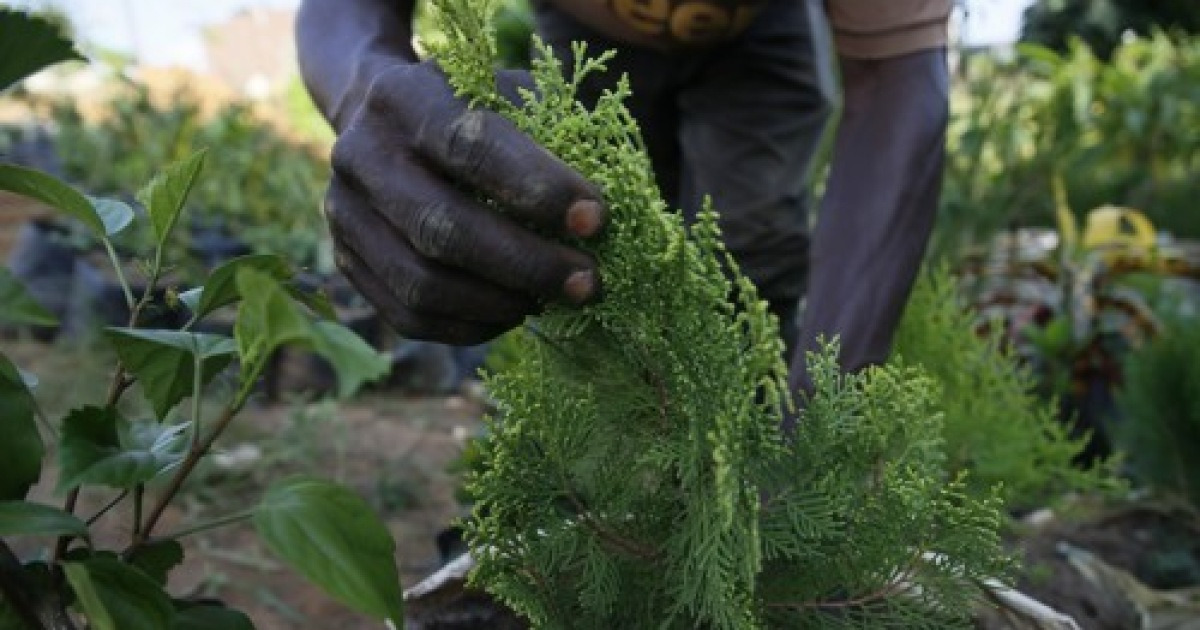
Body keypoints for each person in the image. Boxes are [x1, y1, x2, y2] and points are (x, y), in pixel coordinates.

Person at [294, 0, 951, 404]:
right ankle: (620, 463)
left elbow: (899, 79)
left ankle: (748, 425)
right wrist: (366, 95)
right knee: (593, 244)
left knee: (751, 250)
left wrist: (823, 408)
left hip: (765, 29)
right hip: (585, 28)